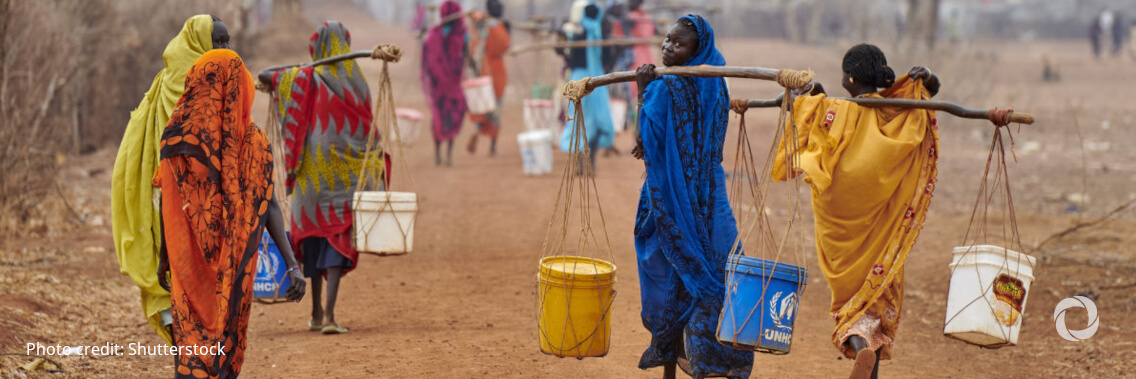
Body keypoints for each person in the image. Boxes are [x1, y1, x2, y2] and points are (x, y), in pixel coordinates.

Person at [772, 43, 940, 379]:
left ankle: (859, 344)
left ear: (849, 78)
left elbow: (807, 116)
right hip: (881, 217)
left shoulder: (832, 110)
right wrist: (928, 77)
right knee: (876, 288)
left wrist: (803, 99)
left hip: (837, 215)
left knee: (847, 296)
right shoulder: (895, 112)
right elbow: (929, 92)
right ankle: (869, 359)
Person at [154, 48, 306, 379]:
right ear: (242, 89)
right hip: (234, 270)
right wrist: (291, 264)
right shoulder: (253, 142)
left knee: (190, 344)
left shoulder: (176, 138)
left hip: (187, 265)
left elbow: (168, 206)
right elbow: (270, 206)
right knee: (224, 344)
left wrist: (165, 258)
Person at [631, 15, 753, 379]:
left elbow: (643, 142)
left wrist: (642, 91)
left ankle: (680, 363)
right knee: (722, 268)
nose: (669, 48)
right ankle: (719, 364)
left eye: (678, 44)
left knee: (670, 271)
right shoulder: (716, 83)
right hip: (709, 193)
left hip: (666, 193)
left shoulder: (664, 87)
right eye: (667, 40)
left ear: (695, 49)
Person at [257, 21, 382, 335]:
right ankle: (327, 315)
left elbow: (265, 75)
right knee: (337, 238)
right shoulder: (356, 81)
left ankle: (315, 313)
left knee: (312, 238)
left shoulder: (302, 79)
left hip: (311, 179)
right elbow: (368, 128)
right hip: (345, 178)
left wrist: (301, 67)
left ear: (316, 47)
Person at [111, 14, 230, 346]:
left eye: (226, 41)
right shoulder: (183, 85)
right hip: (174, 201)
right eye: (217, 41)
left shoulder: (220, 81)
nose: (223, 48)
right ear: (198, 44)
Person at [558, 1, 615, 175]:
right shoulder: (603, 37)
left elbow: (568, 57)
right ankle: (591, 163)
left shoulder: (576, 36)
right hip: (597, 81)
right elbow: (609, 59)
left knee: (577, 121)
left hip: (577, 80)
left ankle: (579, 163)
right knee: (596, 122)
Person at [421, 1, 468, 166]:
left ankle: (442, 155)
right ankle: (444, 155)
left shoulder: (435, 35)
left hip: (446, 85)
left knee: (443, 117)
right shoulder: (454, 34)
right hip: (443, 85)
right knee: (446, 117)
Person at [466, 0, 511, 156]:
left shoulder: (481, 22)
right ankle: (492, 146)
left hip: (483, 71)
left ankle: (477, 133)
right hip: (496, 72)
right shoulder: (497, 27)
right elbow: (505, 46)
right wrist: (507, 30)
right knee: (496, 108)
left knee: (483, 107)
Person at [626, 0, 656, 101]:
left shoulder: (632, 16)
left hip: (636, 52)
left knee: (635, 80)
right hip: (647, 52)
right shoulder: (647, 17)